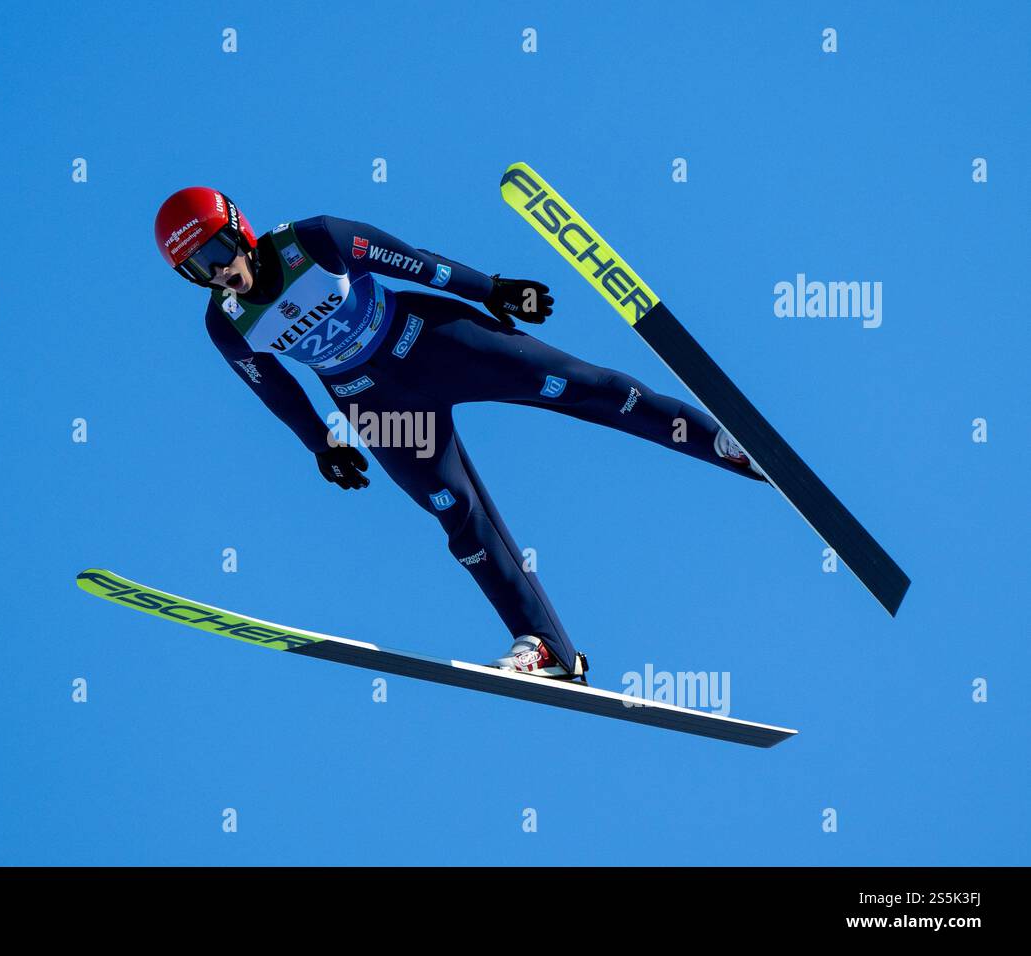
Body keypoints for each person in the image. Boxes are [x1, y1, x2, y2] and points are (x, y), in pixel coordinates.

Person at [155, 186, 765, 682]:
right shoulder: (227, 325)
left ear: (240, 229)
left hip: (434, 342)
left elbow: (415, 263)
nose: (217, 276)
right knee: (456, 512)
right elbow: (275, 389)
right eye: (195, 272)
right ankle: (547, 649)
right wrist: (320, 443)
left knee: (584, 385)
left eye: (215, 255)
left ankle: (725, 444)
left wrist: (491, 289)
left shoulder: (314, 241)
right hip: (379, 405)